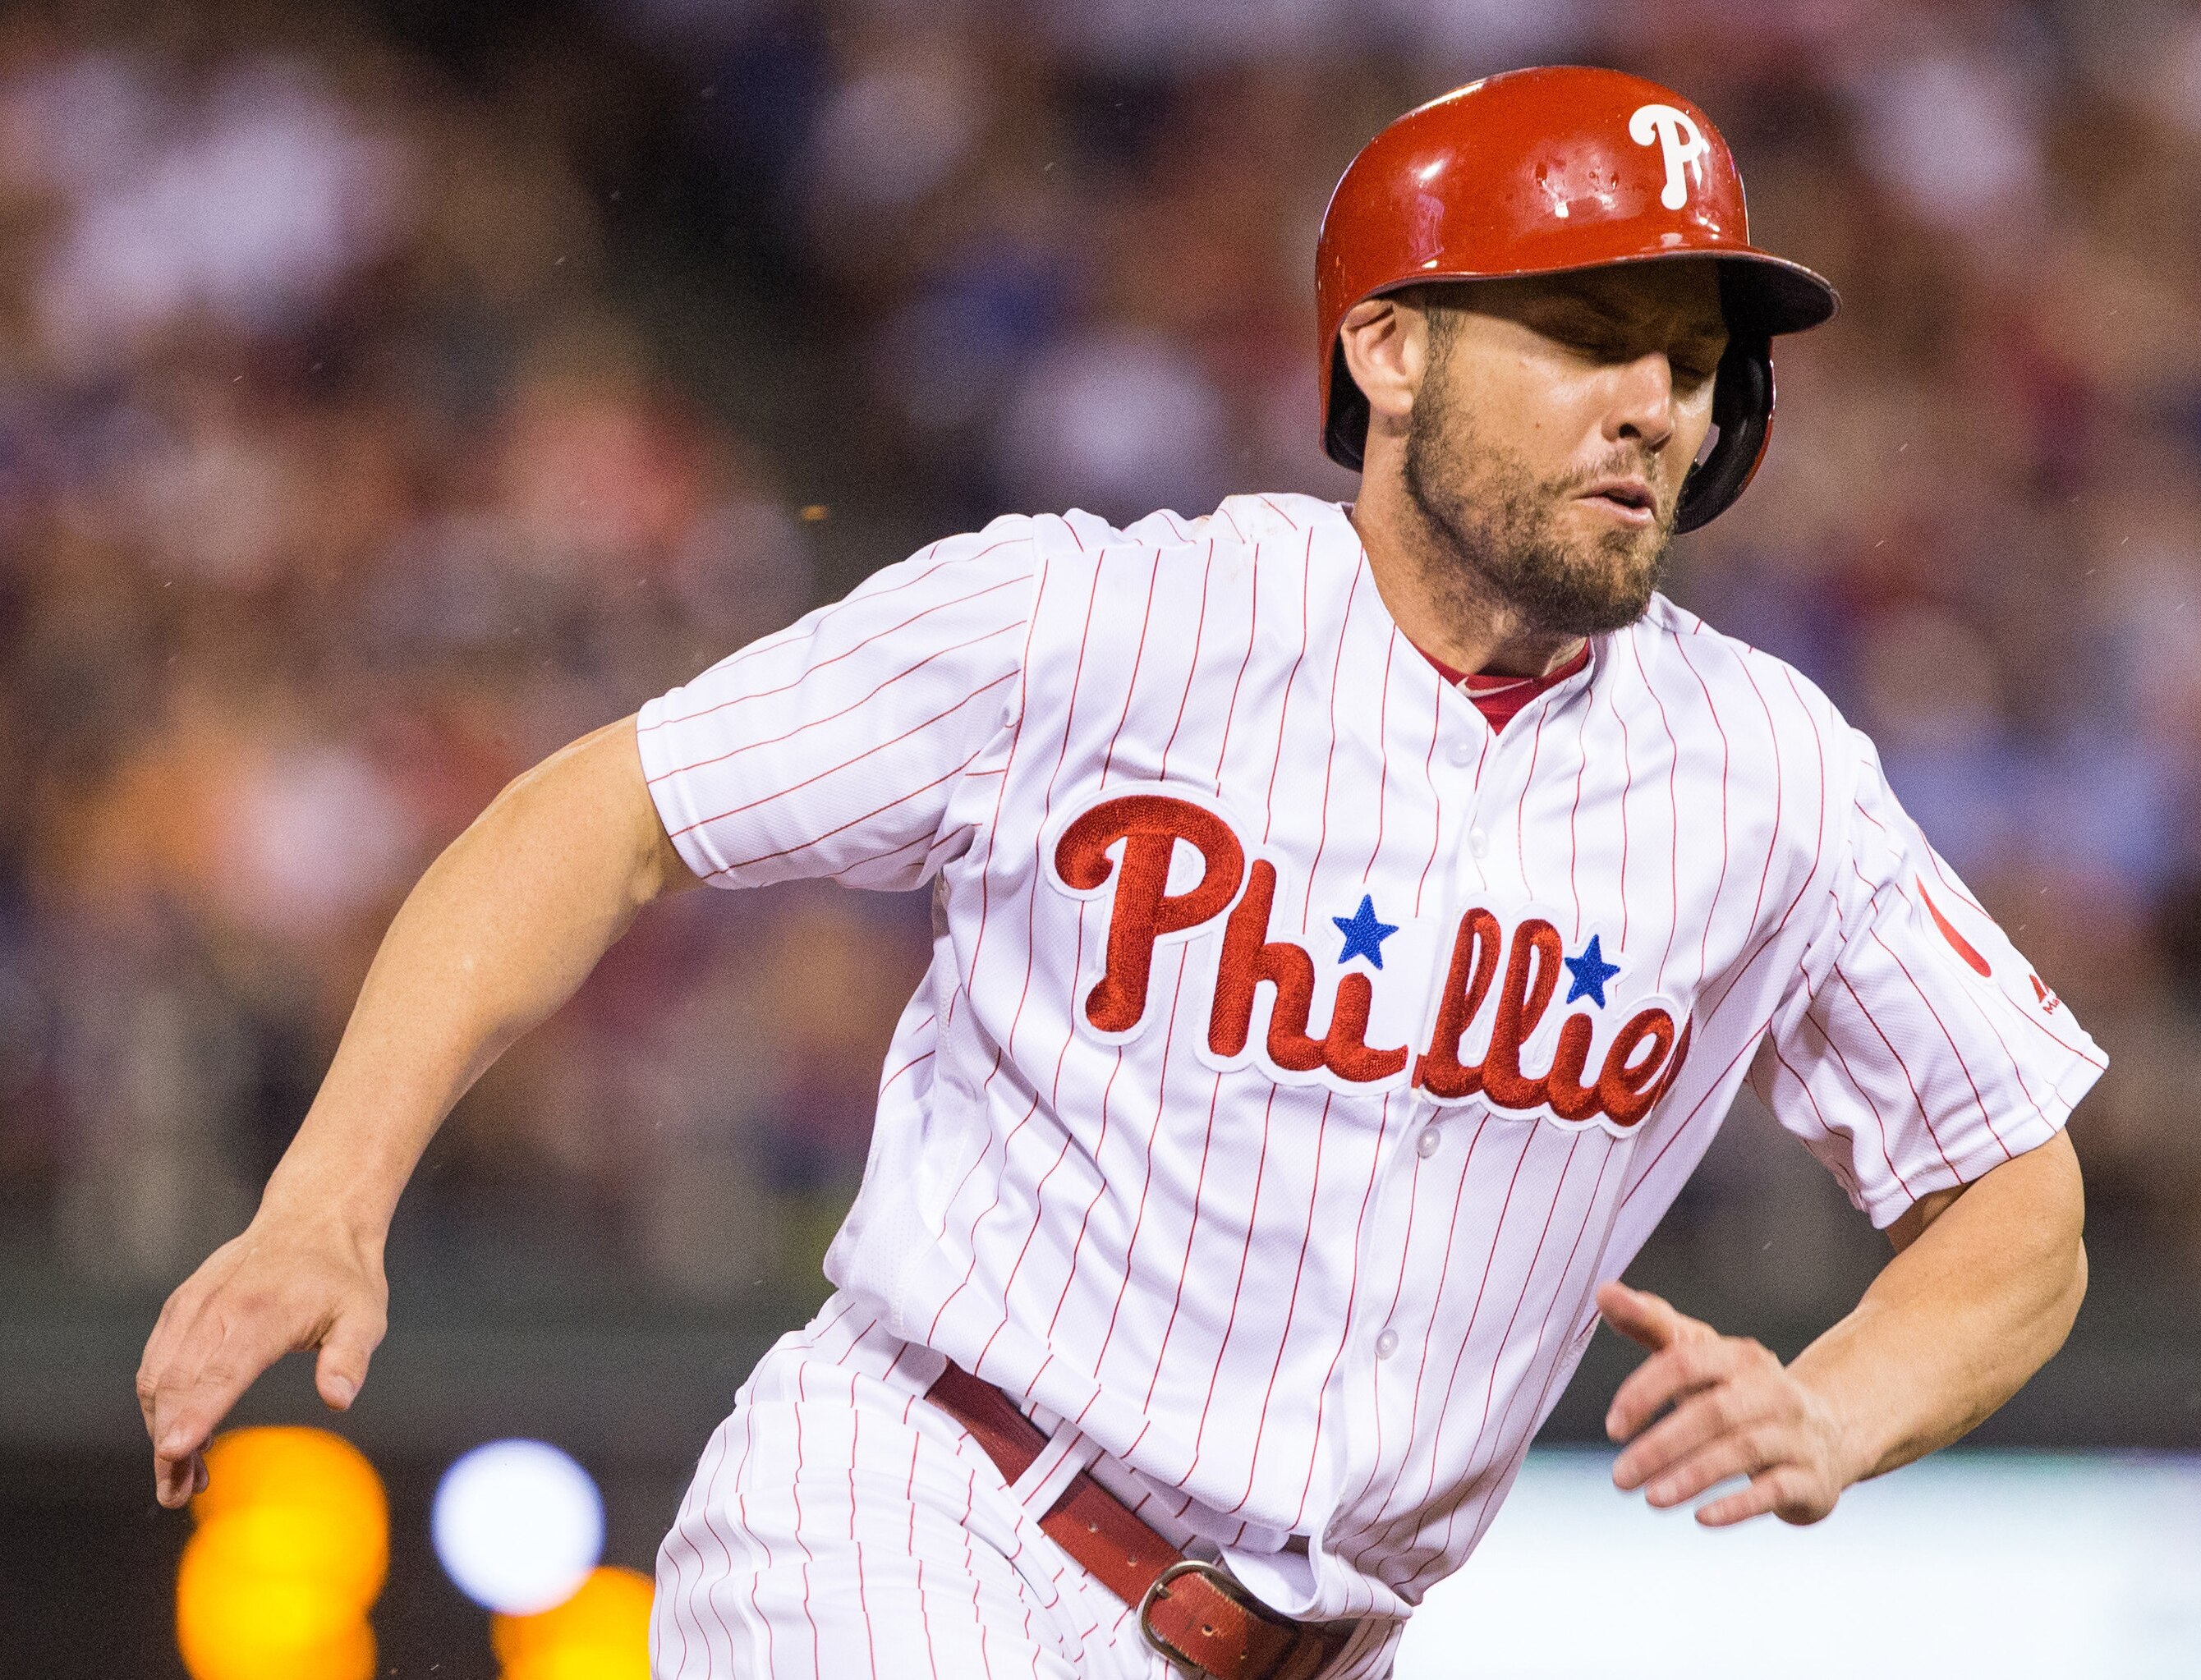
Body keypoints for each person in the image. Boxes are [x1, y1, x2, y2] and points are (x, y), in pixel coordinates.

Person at [137, 67, 2101, 1680]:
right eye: (1589, 333)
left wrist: (1843, 1409)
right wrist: (329, 1193)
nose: (1658, 404)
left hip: (1332, 1646)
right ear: (1389, 349)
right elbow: (605, 812)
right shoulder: (1101, 623)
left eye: (1692, 361)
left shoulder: (1766, 773)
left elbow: (2021, 1197)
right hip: (922, 1537)